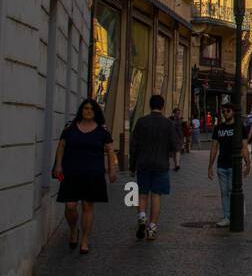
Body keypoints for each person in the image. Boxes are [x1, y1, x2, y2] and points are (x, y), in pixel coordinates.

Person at [52, 98, 117, 255]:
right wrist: (58, 165)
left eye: (91, 109)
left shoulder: (103, 130)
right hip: (71, 173)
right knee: (70, 206)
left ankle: (85, 240)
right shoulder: (70, 127)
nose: (88, 111)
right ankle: (74, 229)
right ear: (81, 110)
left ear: (96, 112)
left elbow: (109, 150)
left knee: (88, 206)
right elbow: (61, 146)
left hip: (93, 173)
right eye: (85, 108)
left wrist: (112, 169)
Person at [130, 95, 181, 241]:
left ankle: (141, 216)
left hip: (143, 163)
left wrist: (132, 166)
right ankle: (152, 228)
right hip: (161, 165)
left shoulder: (141, 122)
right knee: (156, 195)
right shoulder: (168, 124)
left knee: (142, 194)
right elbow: (175, 145)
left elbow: (134, 146)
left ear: (150, 105)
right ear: (163, 106)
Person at [207, 101, 251, 228]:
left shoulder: (239, 127)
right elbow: (214, 147)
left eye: (228, 111)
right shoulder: (218, 128)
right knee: (224, 192)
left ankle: (238, 213)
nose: (225, 113)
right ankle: (227, 216)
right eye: (223, 111)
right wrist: (210, 166)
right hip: (222, 165)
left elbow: (244, 147)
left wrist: (248, 164)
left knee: (235, 190)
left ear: (233, 112)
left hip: (235, 165)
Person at [169, 107, 184, 171]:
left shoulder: (170, 119)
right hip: (178, 137)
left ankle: (176, 165)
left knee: (174, 152)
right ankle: (177, 164)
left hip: (172, 137)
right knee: (177, 151)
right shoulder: (180, 120)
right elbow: (180, 131)